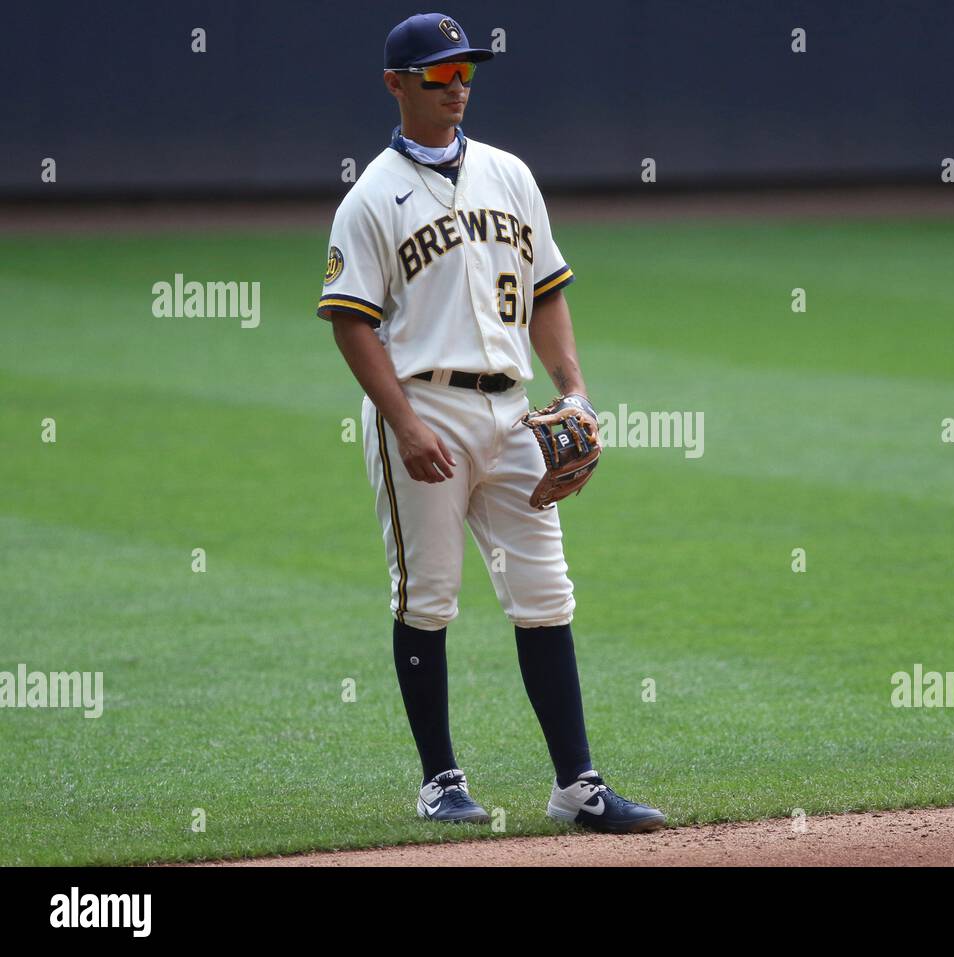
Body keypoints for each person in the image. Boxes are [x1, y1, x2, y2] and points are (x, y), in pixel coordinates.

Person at [316, 12, 665, 834]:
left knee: (546, 593)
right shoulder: (372, 198)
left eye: (465, 69)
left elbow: (546, 291)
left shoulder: (510, 174)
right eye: (439, 74)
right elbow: (350, 320)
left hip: (513, 413)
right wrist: (401, 422)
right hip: (422, 408)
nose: (458, 84)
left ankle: (577, 785)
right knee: (428, 597)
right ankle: (440, 780)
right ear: (397, 85)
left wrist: (573, 388)